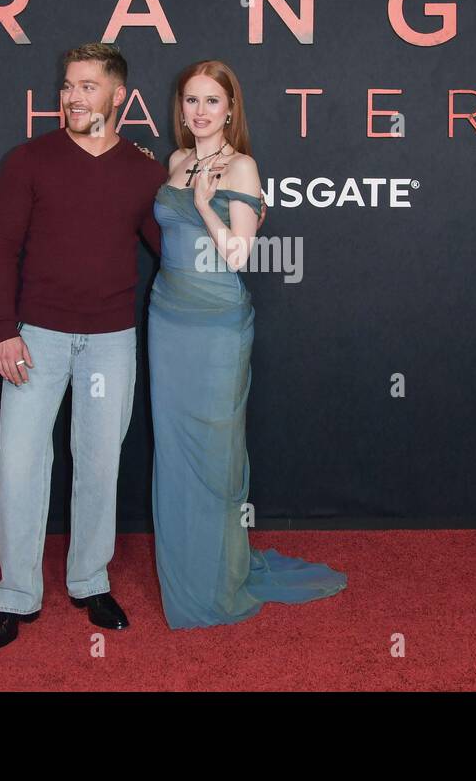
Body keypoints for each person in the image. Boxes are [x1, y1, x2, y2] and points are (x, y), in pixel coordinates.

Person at [0, 42, 168, 653]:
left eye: (87, 86)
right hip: (37, 338)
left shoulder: (143, 170)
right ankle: (17, 596)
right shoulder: (28, 160)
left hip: (111, 341)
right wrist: (4, 330)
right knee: (19, 467)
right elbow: (1, 250)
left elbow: (174, 247)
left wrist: (235, 218)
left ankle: (89, 581)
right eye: (67, 86)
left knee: (99, 465)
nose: (74, 97)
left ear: (117, 96)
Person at [149, 60, 348, 629]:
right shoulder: (176, 161)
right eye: (191, 100)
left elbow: (238, 256)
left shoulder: (241, 166)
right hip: (167, 318)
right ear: (180, 106)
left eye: (213, 101)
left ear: (231, 109)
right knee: (175, 449)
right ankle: (184, 568)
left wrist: (210, 208)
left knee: (216, 453)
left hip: (216, 327)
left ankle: (218, 576)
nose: (200, 111)